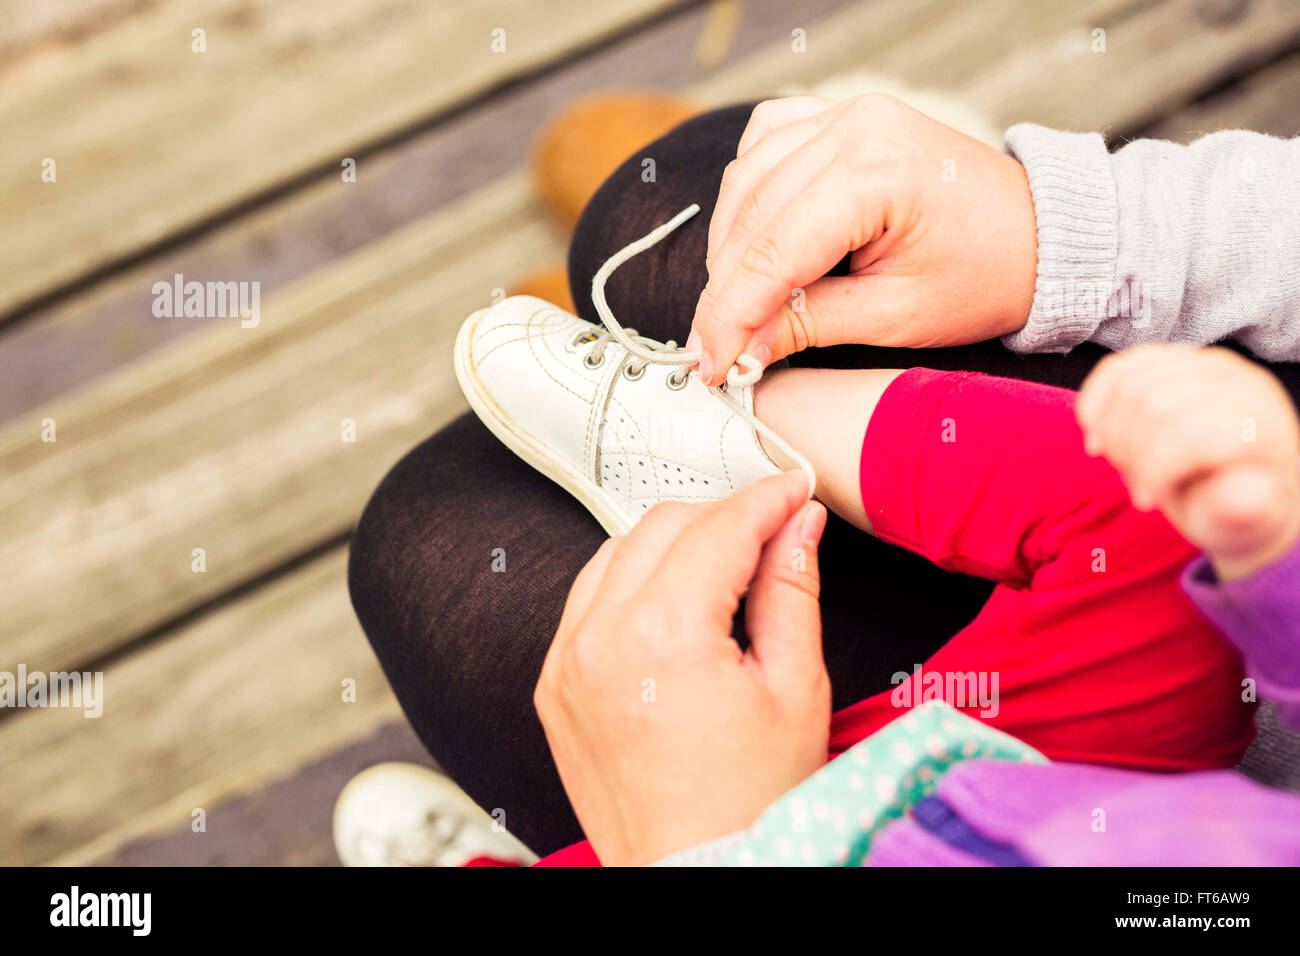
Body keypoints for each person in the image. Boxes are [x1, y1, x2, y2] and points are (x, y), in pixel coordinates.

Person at [347, 96, 1300, 859]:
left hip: (936, 808)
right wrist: (1081, 238)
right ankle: (733, 404)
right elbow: (1157, 556)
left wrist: (713, 847)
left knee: (433, 545)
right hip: (1128, 764)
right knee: (676, 230)